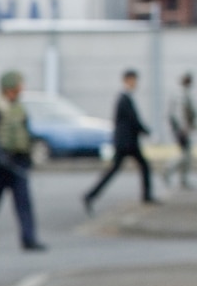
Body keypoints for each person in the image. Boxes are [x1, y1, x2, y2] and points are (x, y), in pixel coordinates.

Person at [0, 70, 47, 252]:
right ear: (10, 87)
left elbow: (25, 132)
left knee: (24, 201)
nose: (22, 89)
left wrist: (30, 151)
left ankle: (29, 238)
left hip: (17, 161)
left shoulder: (18, 107)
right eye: (19, 85)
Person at [83, 69, 157, 214]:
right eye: (134, 80)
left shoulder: (125, 98)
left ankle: (90, 196)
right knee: (128, 168)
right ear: (127, 80)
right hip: (126, 143)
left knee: (136, 167)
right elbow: (133, 121)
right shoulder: (124, 98)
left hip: (127, 142)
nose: (136, 84)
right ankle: (90, 195)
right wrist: (148, 132)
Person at [162, 72, 194, 189]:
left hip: (181, 129)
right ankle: (168, 169)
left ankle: (183, 180)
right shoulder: (181, 94)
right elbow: (181, 114)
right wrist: (184, 128)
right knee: (185, 155)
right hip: (181, 130)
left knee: (186, 154)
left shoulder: (182, 93)